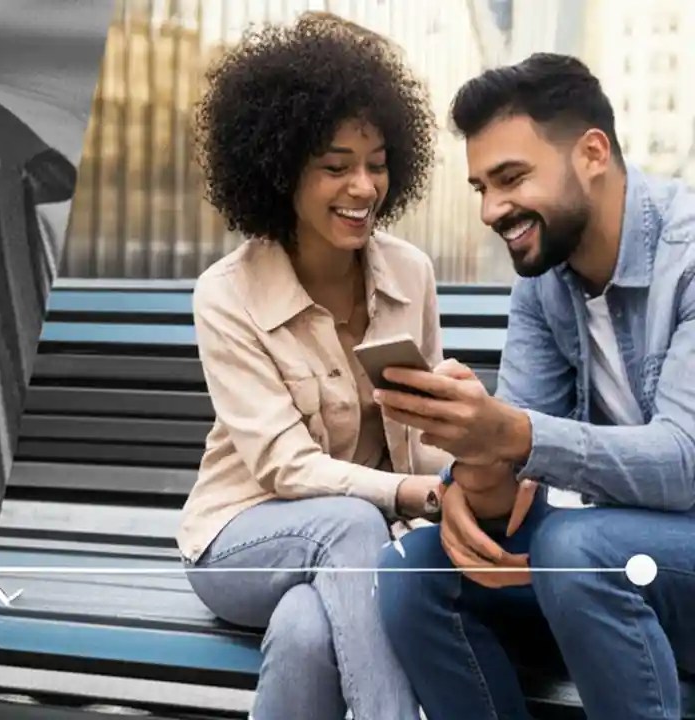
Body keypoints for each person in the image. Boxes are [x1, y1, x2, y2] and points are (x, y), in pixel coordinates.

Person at [376, 53, 695, 720]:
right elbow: (515, 475)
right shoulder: (542, 280)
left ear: (591, 153)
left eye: (512, 178)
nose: (493, 210)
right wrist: (474, 472)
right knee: (415, 567)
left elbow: (684, 463)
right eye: (480, 188)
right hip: (611, 559)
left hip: (646, 552)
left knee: (574, 549)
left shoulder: (686, 254)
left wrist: (510, 435)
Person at [177, 13, 449, 720]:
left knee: (303, 628)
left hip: (353, 553)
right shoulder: (228, 294)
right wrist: (412, 494)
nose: (362, 187)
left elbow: (425, 438)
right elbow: (286, 470)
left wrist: (467, 441)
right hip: (241, 539)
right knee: (351, 524)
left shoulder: (410, 274)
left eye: (377, 162)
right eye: (335, 166)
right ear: (279, 166)